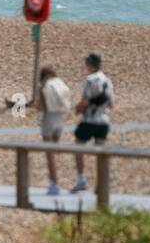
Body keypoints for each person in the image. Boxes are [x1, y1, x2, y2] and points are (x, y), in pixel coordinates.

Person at [71, 53, 113, 193]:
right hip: (104, 120)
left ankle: (81, 179)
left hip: (90, 119)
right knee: (100, 152)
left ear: (89, 64)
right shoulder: (107, 80)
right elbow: (111, 104)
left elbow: (85, 100)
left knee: (78, 147)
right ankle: (101, 183)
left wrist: (78, 109)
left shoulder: (90, 80)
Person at [37, 66, 72, 196]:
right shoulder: (60, 84)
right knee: (56, 150)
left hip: (49, 120)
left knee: (49, 155)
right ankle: (63, 178)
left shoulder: (44, 87)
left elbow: (40, 107)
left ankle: (54, 183)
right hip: (60, 120)